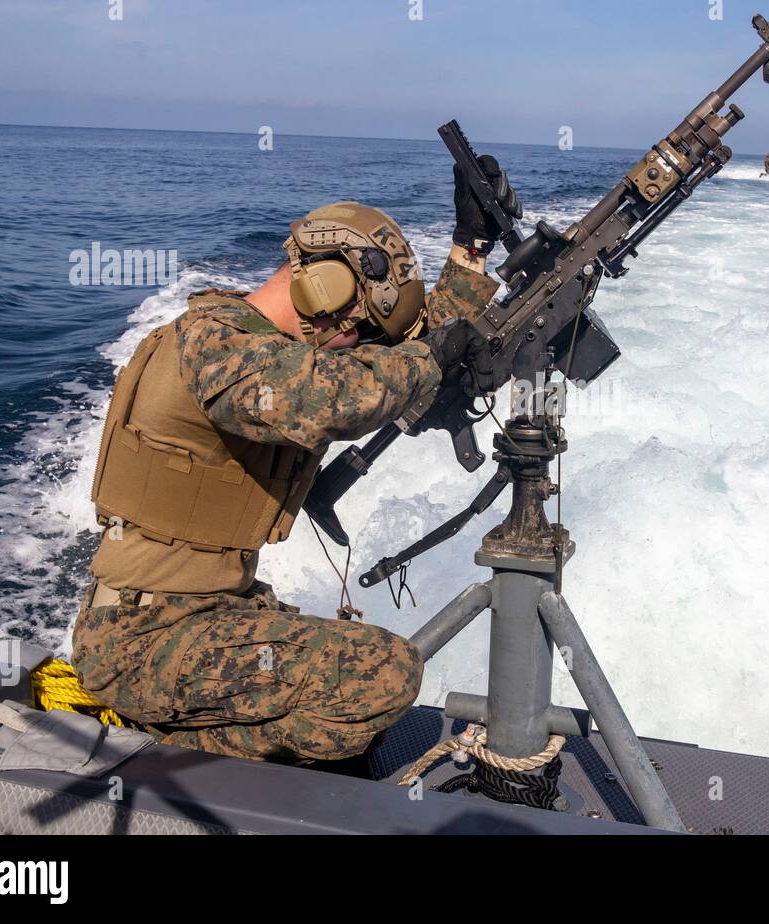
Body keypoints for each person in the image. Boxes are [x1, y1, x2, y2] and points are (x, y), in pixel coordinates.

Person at [71, 157, 521, 763]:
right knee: (382, 674)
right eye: (356, 331)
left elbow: (410, 355)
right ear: (323, 292)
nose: (357, 347)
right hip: (141, 642)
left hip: (211, 614)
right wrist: (426, 361)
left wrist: (471, 250)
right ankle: (166, 743)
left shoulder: (272, 350)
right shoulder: (213, 344)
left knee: (358, 692)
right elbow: (331, 396)